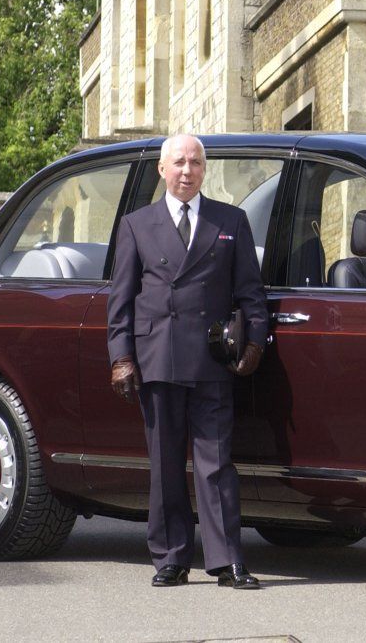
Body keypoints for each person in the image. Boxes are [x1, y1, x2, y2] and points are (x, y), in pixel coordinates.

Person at [107, 134, 268, 590]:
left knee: (216, 464)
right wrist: (121, 357)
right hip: (157, 358)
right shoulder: (137, 225)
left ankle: (227, 560)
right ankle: (171, 558)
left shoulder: (230, 220)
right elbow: (120, 302)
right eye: (178, 162)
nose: (187, 170)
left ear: (205, 170)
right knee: (164, 464)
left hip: (212, 361)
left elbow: (250, 293)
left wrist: (255, 342)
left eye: (195, 163)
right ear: (162, 169)